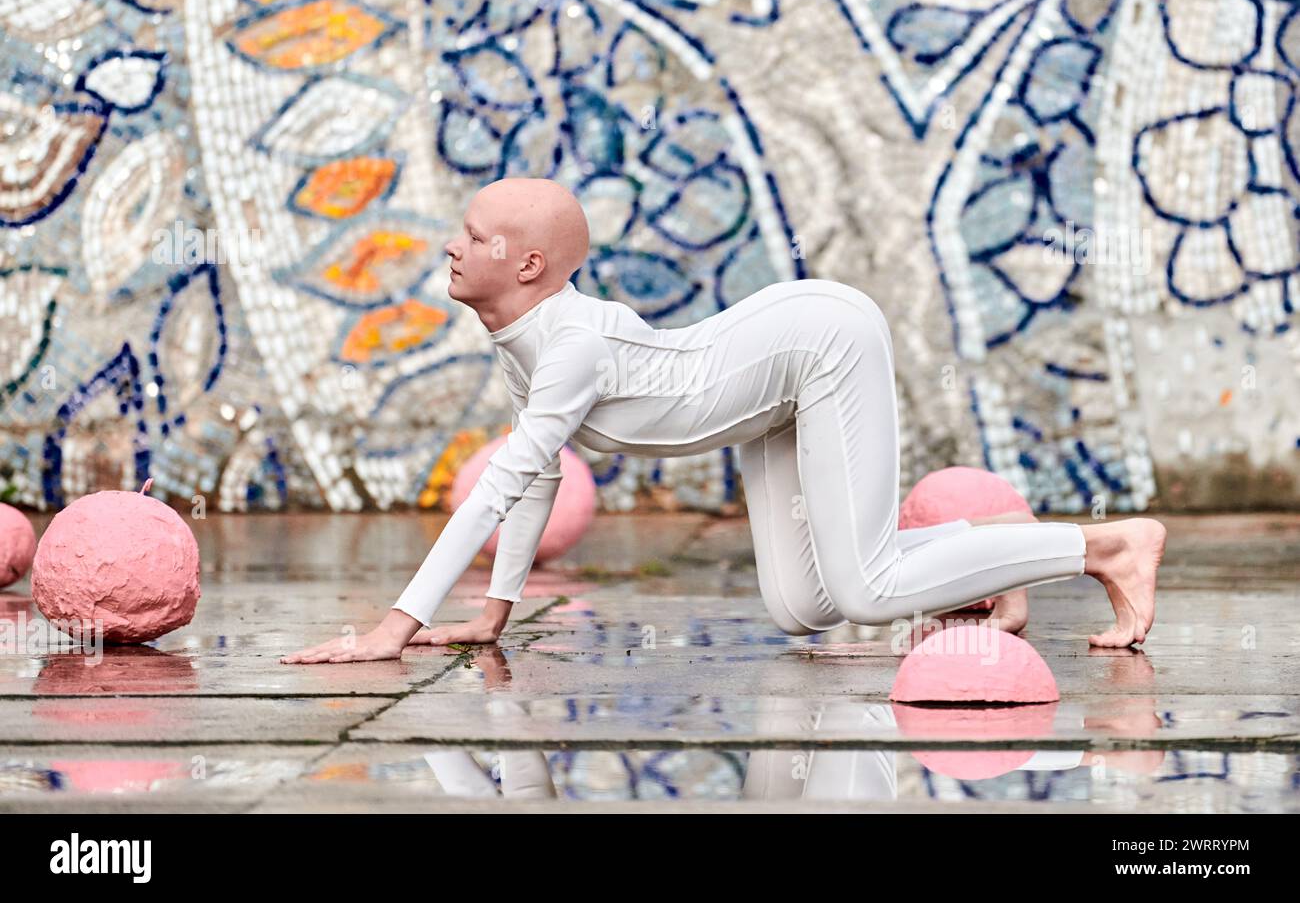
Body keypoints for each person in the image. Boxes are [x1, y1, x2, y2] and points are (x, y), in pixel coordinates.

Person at [281, 178, 1165, 665]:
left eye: (473, 236)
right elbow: (536, 478)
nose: (452, 245)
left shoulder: (574, 345)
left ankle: (1107, 549)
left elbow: (494, 492)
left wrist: (392, 629)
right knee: (803, 607)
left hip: (822, 343)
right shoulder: (525, 338)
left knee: (862, 588)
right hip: (769, 397)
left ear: (530, 263)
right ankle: (998, 549)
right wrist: (493, 613)